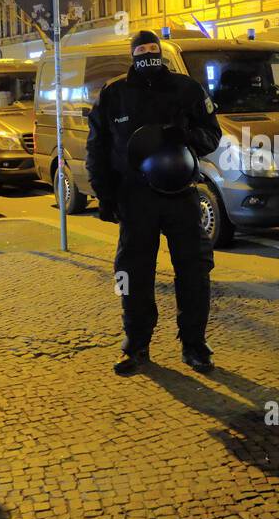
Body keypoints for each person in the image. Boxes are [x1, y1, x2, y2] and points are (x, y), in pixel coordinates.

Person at [86, 30, 223, 376]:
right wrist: (104, 195)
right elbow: (97, 148)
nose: (147, 55)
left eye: (152, 49)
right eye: (141, 50)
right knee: (131, 274)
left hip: (181, 195)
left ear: (160, 53)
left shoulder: (186, 89)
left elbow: (212, 134)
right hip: (135, 198)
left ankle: (194, 344)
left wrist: (188, 136)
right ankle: (135, 343)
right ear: (131, 55)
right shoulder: (114, 94)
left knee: (194, 271)